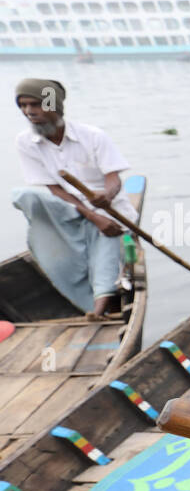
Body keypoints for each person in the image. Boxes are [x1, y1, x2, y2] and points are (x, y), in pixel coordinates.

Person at [11, 78, 137, 320]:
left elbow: (114, 179)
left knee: (108, 239)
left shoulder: (92, 136)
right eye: (23, 106)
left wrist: (106, 197)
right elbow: (55, 190)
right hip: (69, 210)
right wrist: (91, 215)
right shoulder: (25, 142)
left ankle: (99, 307)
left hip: (109, 210)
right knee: (25, 195)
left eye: (36, 104)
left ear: (54, 106)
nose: (29, 112)